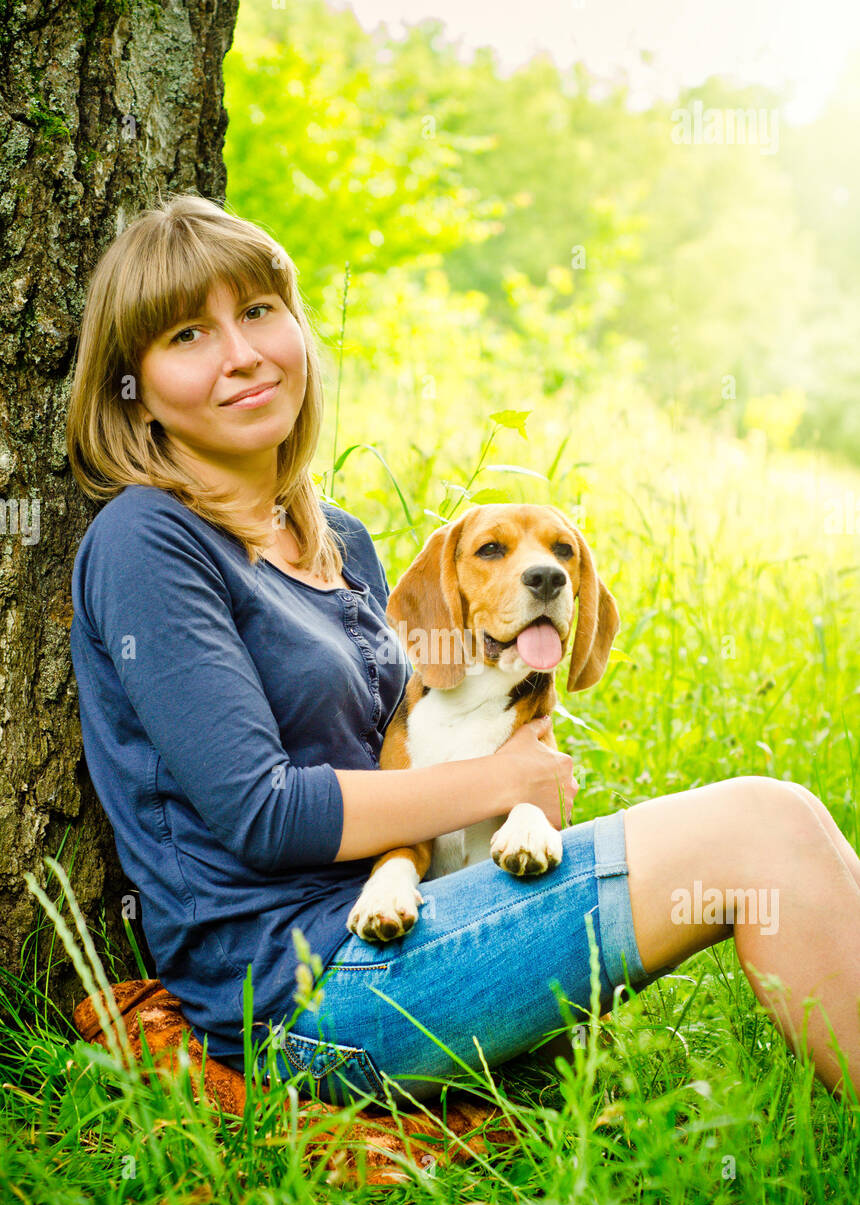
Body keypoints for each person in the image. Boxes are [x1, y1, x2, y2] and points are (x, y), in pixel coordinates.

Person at [66, 193, 860, 1110]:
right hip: (303, 991)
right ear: (134, 383)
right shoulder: (146, 542)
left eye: (256, 312)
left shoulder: (341, 543)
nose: (240, 353)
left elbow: (432, 729)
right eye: (186, 336)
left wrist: (513, 774)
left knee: (797, 829)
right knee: (764, 827)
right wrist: (505, 784)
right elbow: (261, 814)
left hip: (422, 917)